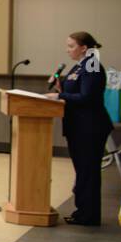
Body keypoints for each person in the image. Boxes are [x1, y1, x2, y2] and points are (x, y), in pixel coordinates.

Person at [48, 31, 113, 226]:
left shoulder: (91, 65)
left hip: (90, 127)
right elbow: (75, 92)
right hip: (79, 126)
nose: (67, 50)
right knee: (83, 171)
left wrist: (60, 97)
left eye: (71, 46)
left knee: (88, 171)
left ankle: (89, 215)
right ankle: (82, 211)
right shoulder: (81, 65)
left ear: (84, 47)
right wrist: (60, 89)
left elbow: (87, 98)